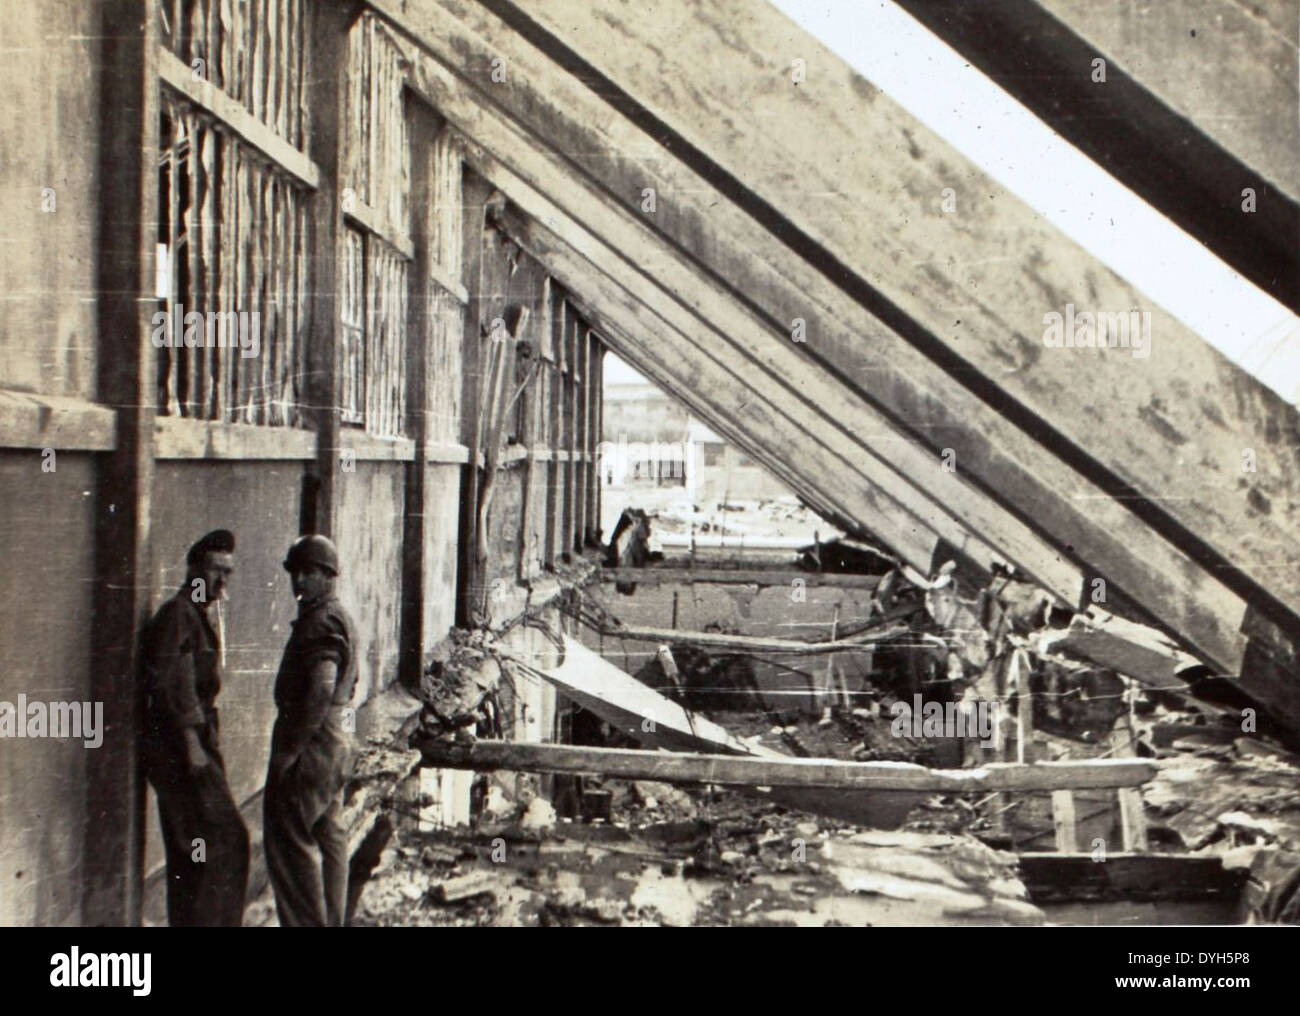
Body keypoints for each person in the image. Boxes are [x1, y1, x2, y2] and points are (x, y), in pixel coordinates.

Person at [139, 529, 250, 926]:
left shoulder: (196, 615)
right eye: (215, 570)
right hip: (181, 753)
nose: (221, 581)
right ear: (194, 570)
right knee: (223, 842)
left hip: (194, 745)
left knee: (199, 849)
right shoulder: (178, 614)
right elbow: (174, 683)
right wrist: (192, 747)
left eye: (228, 572)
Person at [263, 534, 359, 926]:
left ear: (328, 576)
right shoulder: (338, 615)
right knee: (329, 833)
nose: (298, 580)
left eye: (308, 573)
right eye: (295, 572)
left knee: (290, 845)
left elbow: (322, 685)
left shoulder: (320, 622)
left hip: (312, 746)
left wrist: (290, 750)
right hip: (335, 742)